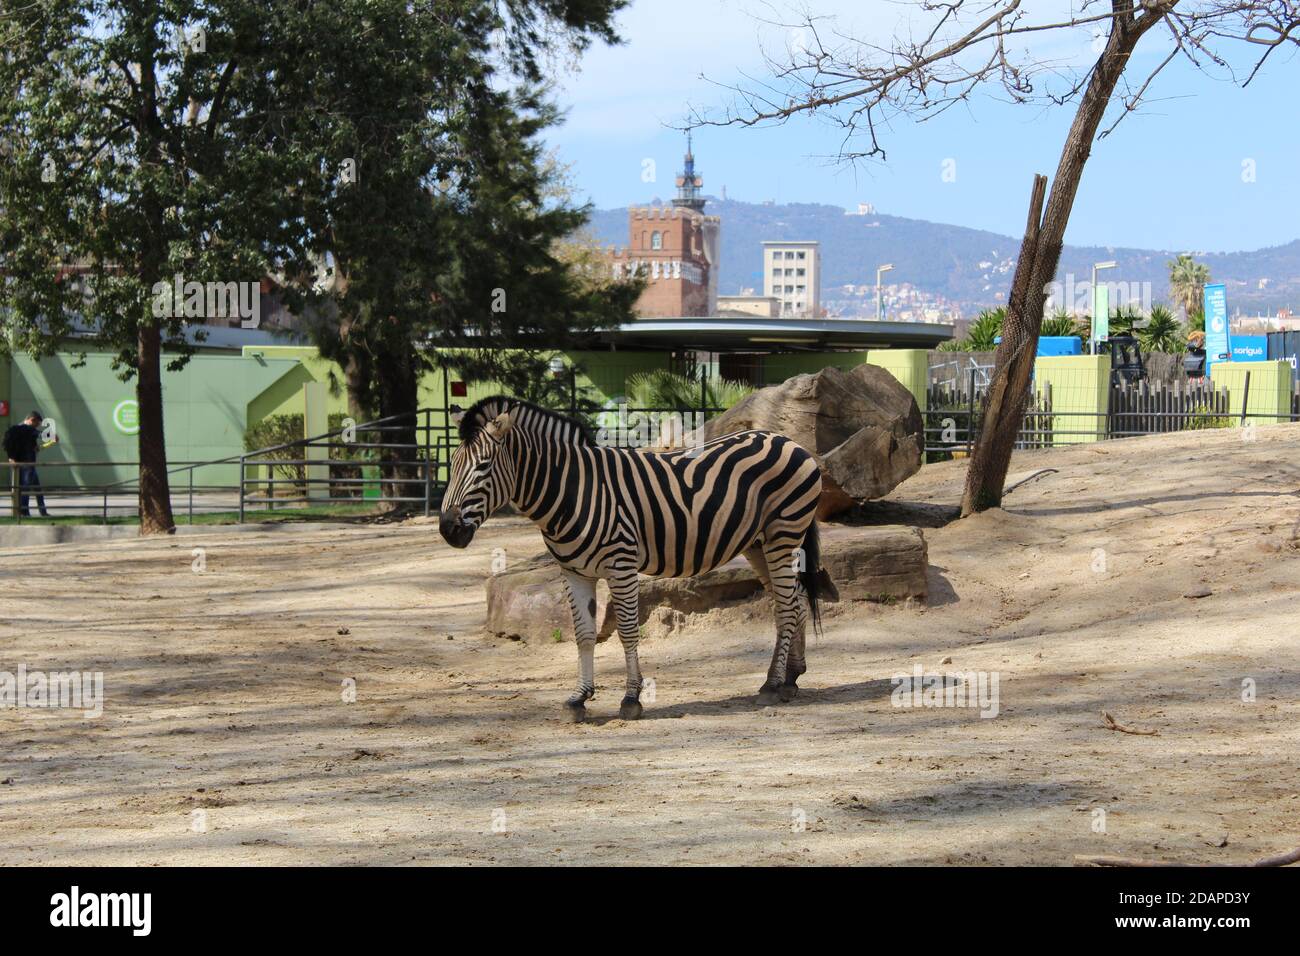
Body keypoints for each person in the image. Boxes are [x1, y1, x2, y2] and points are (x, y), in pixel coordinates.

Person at [3, 411, 57, 517]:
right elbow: (42, 435)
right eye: (36, 424)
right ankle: (25, 512)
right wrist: (53, 436)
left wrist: (11, 458)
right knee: (26, 489)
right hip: (28, 464)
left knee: (31, 488)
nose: (36, 427)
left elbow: (9, 444)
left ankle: (41, 511)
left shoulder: (14, 429)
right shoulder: (28, 429)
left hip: (19, 463)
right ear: (32, 419)